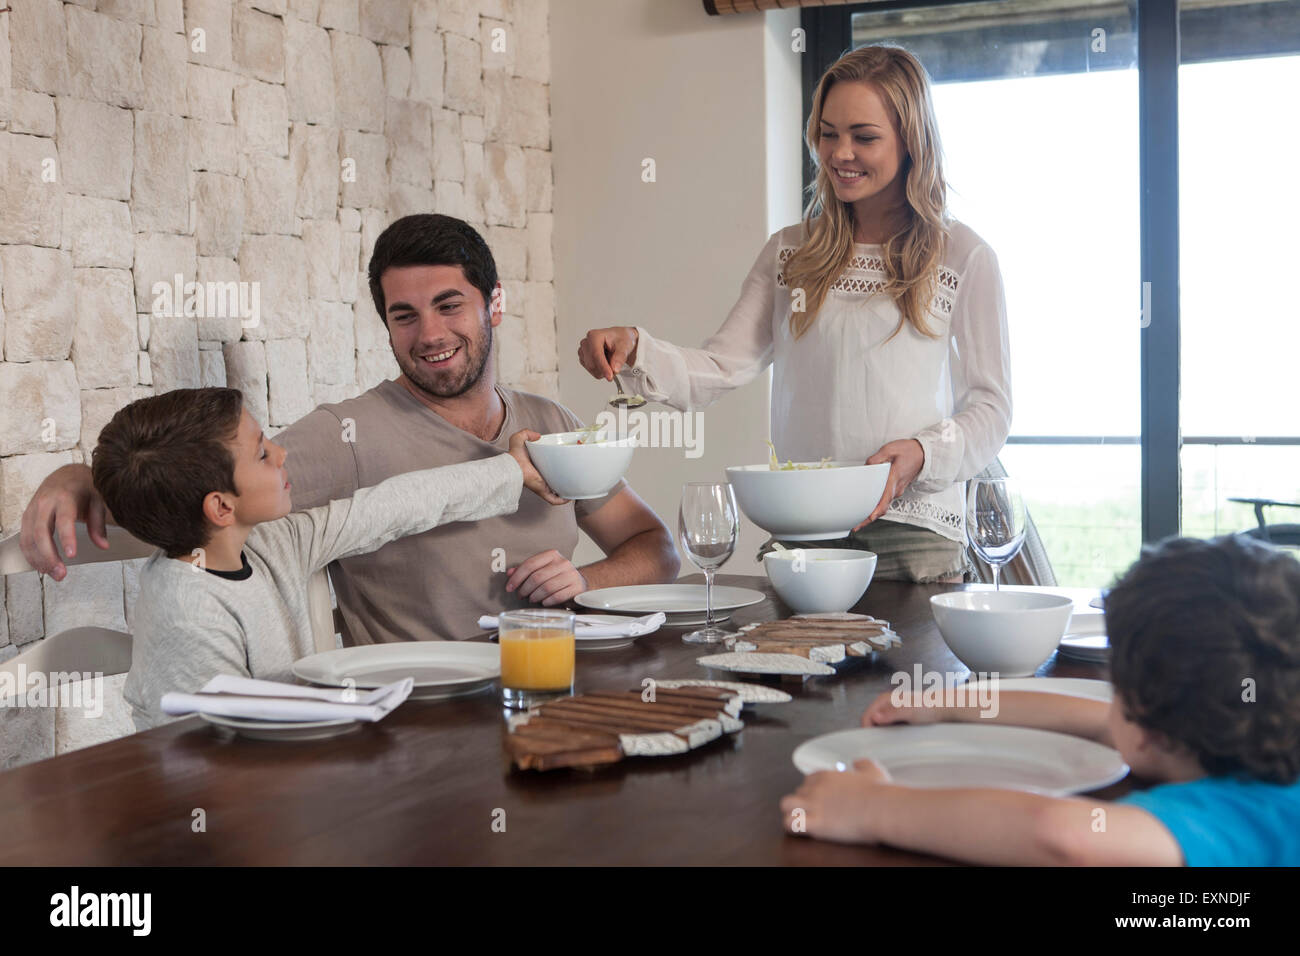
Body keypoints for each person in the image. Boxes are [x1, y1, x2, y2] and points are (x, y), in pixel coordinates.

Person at [22, 214, 680, 644]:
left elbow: (657, 548)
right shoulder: (345, 435)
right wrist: (80, 475)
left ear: (494, 304)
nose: (429, 336)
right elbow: (203, 491)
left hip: (553, 689)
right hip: (426, 724)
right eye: (404, 316)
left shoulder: (552, 426)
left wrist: (585, 583)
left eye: (449, 305)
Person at [578, 45, 1011, 584]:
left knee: (909, 668)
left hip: (914, 531)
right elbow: (720, 366)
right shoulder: (790, 253)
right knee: (792, 667)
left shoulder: (964, 257)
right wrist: (636, 345)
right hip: (803, 528)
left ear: (911, 142)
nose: (840, 153)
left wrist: (923, 454)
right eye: (828, 133)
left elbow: (991, 408)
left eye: (864, 136)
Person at [781, 534, 1300, 866]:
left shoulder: (1233, 820)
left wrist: (875, 808)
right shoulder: (1259, 739)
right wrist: (949, 704)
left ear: (1152, 729)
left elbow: (1062, 837)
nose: (1109, 703)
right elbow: (1096, 721)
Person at [90, 387, 566, 729]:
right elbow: (205, 745)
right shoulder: (187, 609)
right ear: (220, 507)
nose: (281, 455)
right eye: (261, 454)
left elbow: (387, 508)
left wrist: (511, 469)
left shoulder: (271, 543)